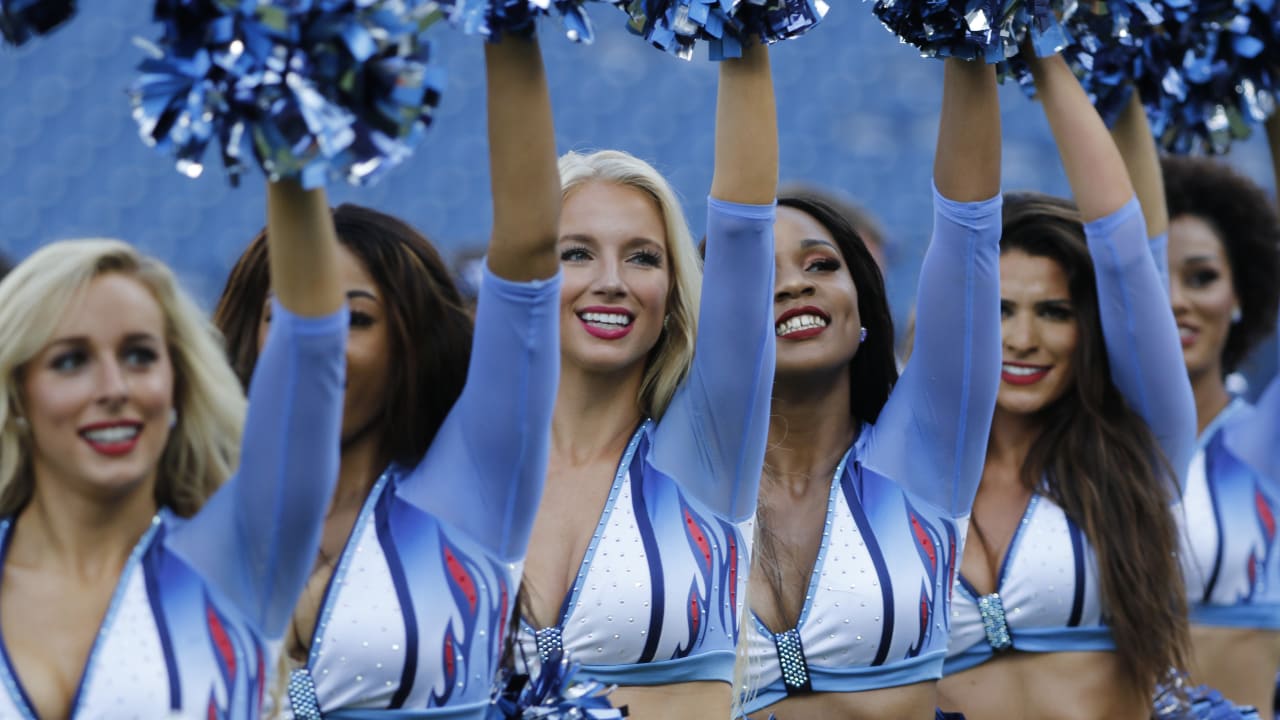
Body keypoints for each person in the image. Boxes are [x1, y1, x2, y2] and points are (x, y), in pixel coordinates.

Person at [213, 35, 562, 718]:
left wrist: (510, 24)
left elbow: (530, 250)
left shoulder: (472, 491)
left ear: (410, 341)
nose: (317, 349)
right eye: (284, 318)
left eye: (356, 319)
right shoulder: (196, 508)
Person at [0, 178, 348, 717]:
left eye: (139, 355)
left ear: (178, 383)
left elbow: (313, 343)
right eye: (70, 360)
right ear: (18, 394)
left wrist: (292, 148)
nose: (114, 388)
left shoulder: (242, 558)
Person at [511, 42, 777, 719]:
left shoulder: (706, 456)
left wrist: (742, 27)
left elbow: (746, 233)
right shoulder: (462, 467)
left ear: (672, 292)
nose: (610, 281)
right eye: (576, 253)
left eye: (642, 258)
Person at [737, 57, 1002, 720]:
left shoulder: (922, 459)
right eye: (756, 270)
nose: (795, 283)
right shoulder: (670, 477)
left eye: (821, 264)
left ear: (864, 313)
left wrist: (966, 32)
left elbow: (969, 227)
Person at [937, 51, 1197, 718]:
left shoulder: (1141, 446)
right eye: (999, 310)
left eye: (1054, 312)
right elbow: (958, 224)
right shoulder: (909, 471)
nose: (1023, 339)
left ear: (1089, 327)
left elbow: (1124, 249)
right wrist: (967, 43)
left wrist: (1039, 47)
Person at [1112, 93, 1280, 714]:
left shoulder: (1265, 438)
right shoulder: (1087, 444)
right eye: (1158, 280)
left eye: (1202, 277)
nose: (1176, 301)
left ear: (1243, 294)